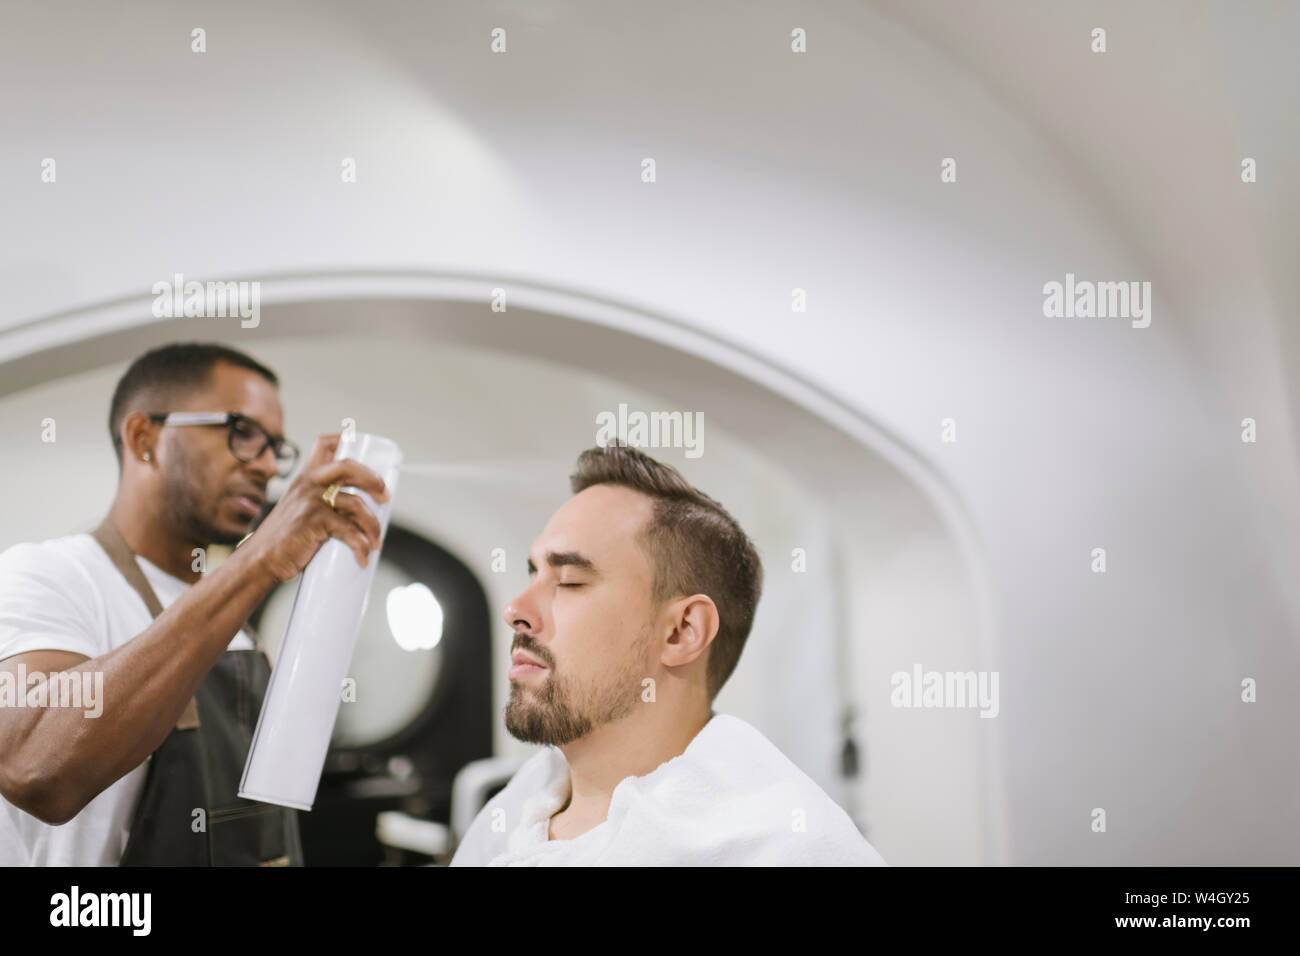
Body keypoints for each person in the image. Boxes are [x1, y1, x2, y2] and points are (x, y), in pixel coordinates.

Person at [0, 342, 390, 865]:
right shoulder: (50, 576)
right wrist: (257, 561)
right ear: (144, 438)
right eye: (243, 433)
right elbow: (35, 769)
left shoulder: (244, 631)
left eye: (277, 446)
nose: (270, 466)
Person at [451, 444, 885, 866]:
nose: (514, 611)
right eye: (533, 574)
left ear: (681, 632)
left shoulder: (785, 850)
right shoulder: (508, 821)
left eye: (568, 581)